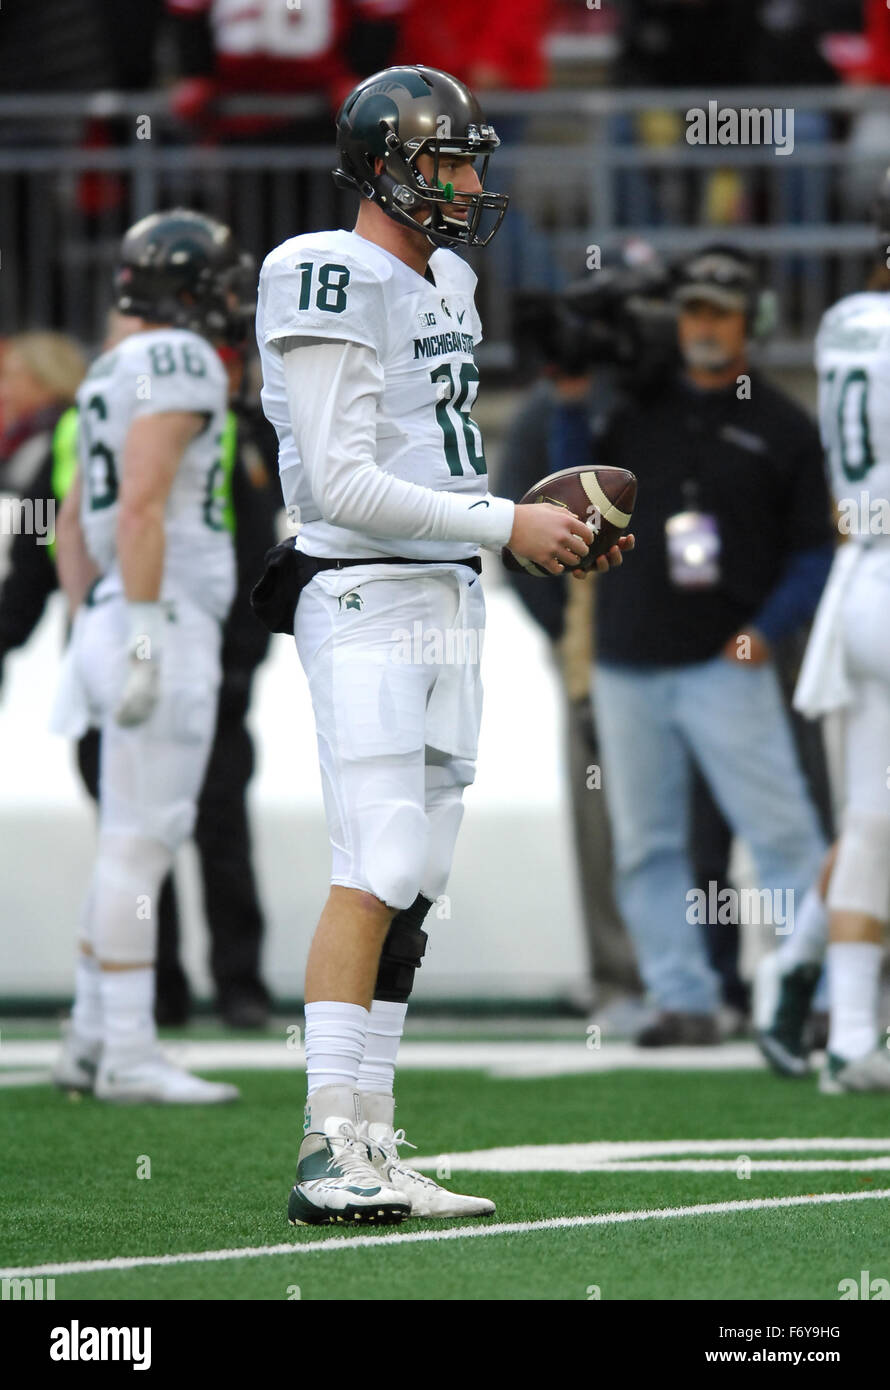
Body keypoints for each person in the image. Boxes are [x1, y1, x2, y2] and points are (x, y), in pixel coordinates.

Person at [255, 63, 632, 1226]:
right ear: (381, 163)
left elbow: (433, 462)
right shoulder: (319, 267)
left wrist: (533, 527)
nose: (467, 183)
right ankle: (327, 1143)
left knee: (414, 881)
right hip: (364, 592)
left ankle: (373, 1135)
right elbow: (339, 478)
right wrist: (502, 521)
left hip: (444, 593)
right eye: (443, 161)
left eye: (471, 160)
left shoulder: (451, 275)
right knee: (372, 861)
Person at [581, 245, 833, 1045]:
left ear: (749, 323)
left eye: (721, 312)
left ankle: (816, 991)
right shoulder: (630, 407)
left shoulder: (782, 425)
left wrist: (767, 631)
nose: (705, 327)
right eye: (692, 310)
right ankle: (682, 997)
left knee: (785, 833)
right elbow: (563, 482)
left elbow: (816, 551)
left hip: (727, 661)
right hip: (628, 658)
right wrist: (567, 390)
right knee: (646, 844)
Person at [51, 208, 253, 1104]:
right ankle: (129, 1051)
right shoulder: (177, 360)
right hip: (156, 615)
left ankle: (92, 1037)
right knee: (144, 842)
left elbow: (70, 524)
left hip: (114, 610)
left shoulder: (108, 366)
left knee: (127, 842)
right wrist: (138, 630)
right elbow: (139, 507)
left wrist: (93, 622)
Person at [758, 167, 890, 1093]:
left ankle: (798, 978)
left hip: (863, 572)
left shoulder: (848, 316)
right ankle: (847, 1038)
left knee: (874, 819)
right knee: (877, 825)